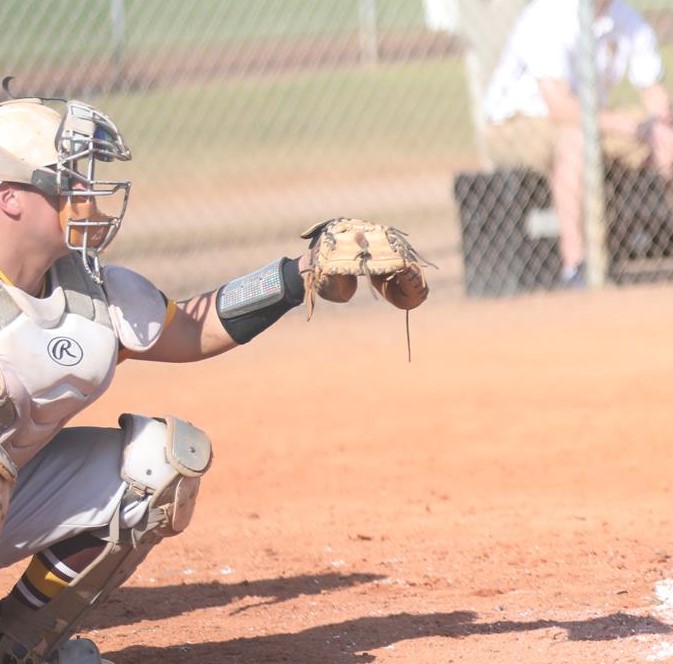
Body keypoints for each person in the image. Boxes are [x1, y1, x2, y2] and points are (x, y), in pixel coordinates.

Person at [0, 91, 420, 663]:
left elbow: (191, 329)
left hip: (13, 495)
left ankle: (17, 642)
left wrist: (300, 275)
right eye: (67, 181)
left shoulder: (89, 290)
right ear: (10, 199)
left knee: (156, 467)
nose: (87, 193)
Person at [480, 0, 673, 285]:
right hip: (517, 122)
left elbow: (653, 91)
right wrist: (626, 126)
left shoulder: (627, 20)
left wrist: (662, 124)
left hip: (586, 120)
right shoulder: (548, 16)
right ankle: (577, 267)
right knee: (573, 141)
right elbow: (558, 107)